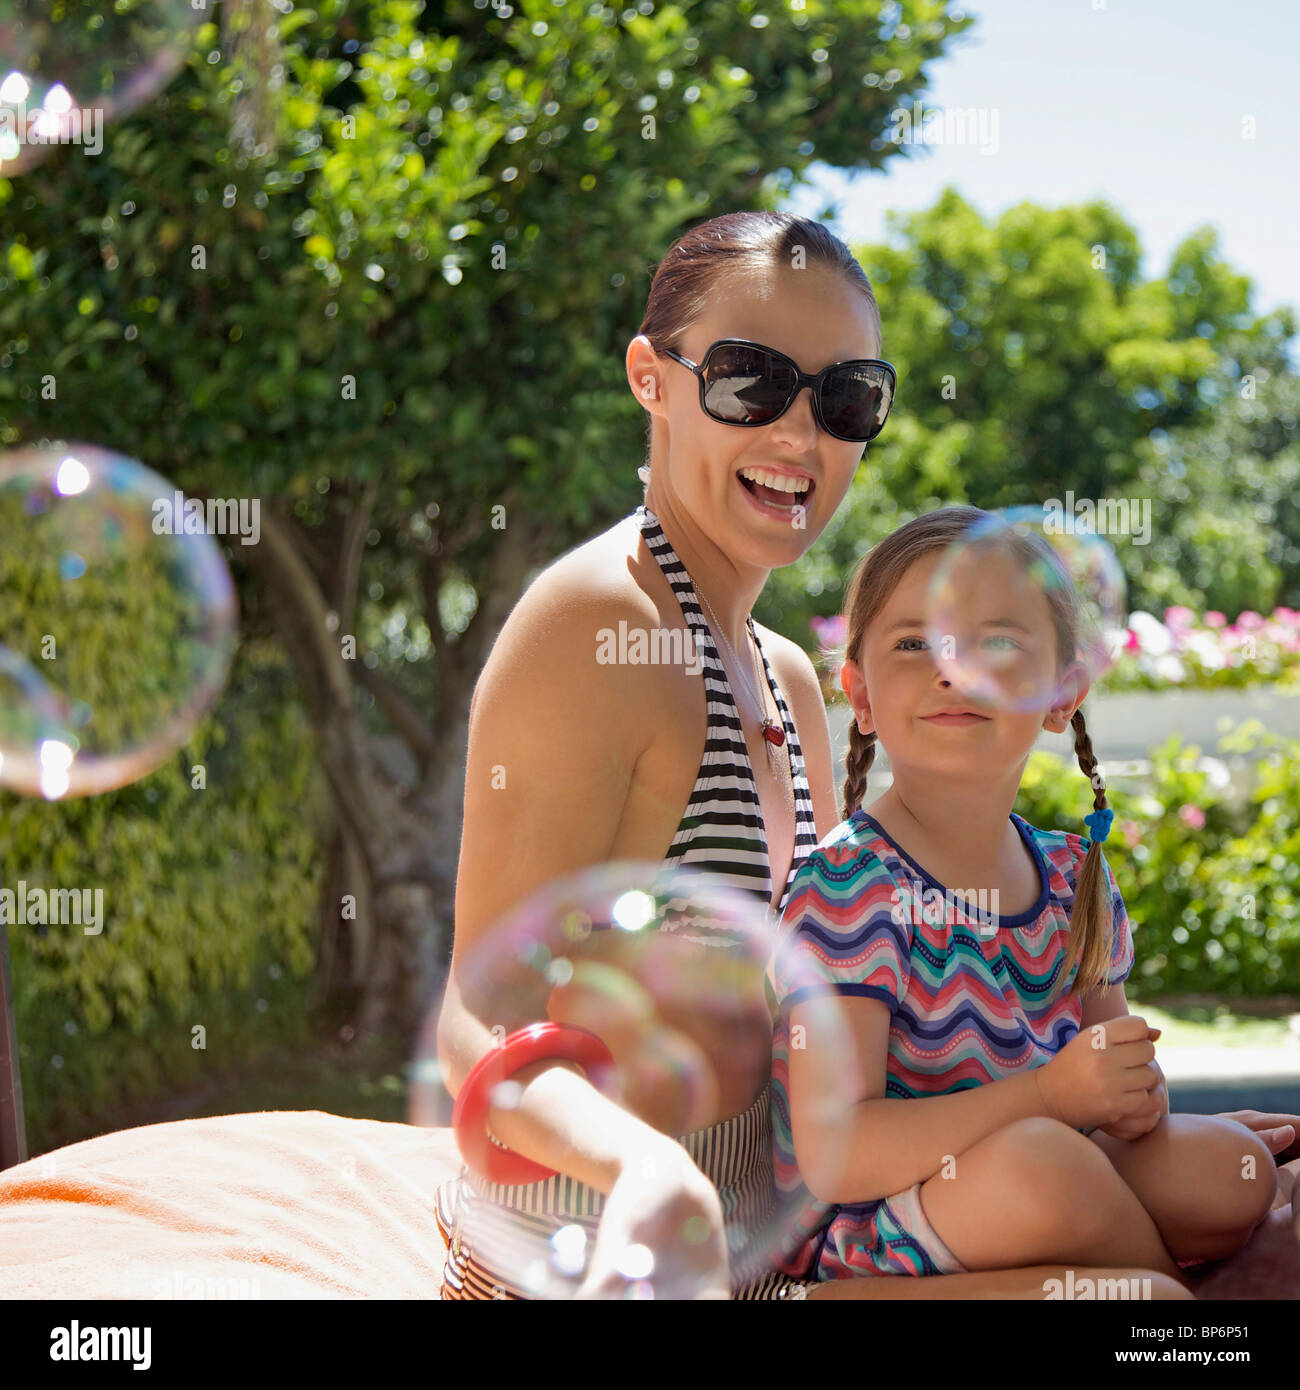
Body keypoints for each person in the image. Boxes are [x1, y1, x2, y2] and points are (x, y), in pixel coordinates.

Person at [433, 209, 1290, 1300]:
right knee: (1143, 1310)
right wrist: (644, 1170)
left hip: (774, 1236)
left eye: (844, 398)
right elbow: (481, 1019)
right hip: (603, 1245)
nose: (799, 434)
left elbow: (871, 1000)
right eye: (749, 379)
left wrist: (1143, 1149)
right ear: (650, 377)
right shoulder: (599, 621)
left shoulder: (786, 675)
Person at [770, 507, 1286, 1295]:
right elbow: (840, 1153)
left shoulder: (1071, 875)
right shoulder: (850, 884)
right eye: (914, 643)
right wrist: (1047, 1095)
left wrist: (1137, 1102)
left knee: (1229, 1172)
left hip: (1040, 1179)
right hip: (881, 1230)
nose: (952, 669)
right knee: (1045, 1163)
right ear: (862, 695)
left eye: (997, 642)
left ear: (1059, 694)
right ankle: (1184, 1312)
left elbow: (1116, 1101)